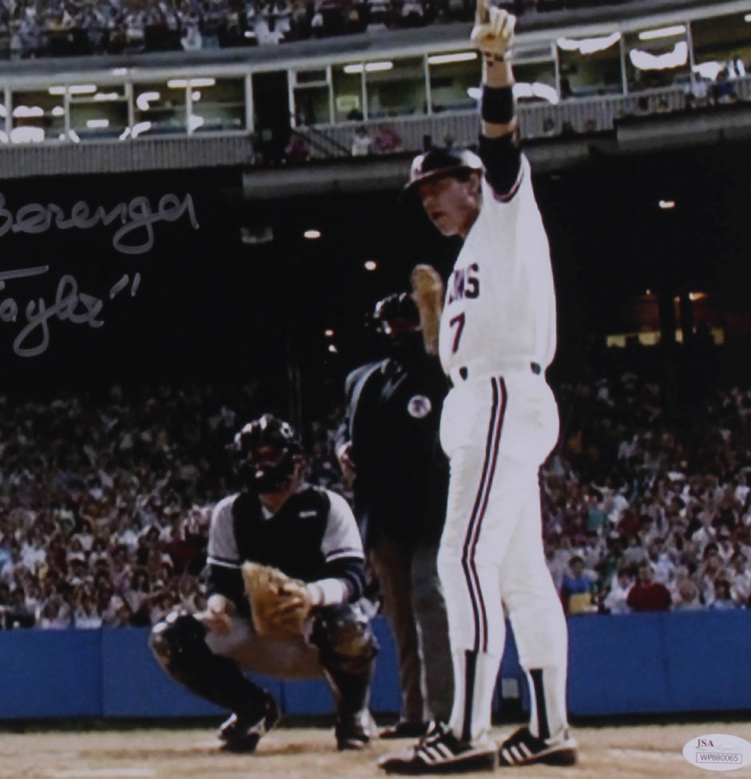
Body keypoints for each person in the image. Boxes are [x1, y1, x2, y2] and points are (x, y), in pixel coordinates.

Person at [380, 0, 576, 770]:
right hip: (488, 396)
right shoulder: (469, 254)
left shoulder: (501, 207)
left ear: (469, 182)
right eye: (421, 191)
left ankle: (464, 730)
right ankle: (550, 725)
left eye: (438, 183)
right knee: (522, 572)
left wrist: (495, 66)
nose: (429, 198)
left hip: (500, 396)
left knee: (462, 559)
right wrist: (434, 332)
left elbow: (500, 143)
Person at [150, 414, 377, 752]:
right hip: (256, 635)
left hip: (316, 634)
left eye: (271, 455)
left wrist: (309, 595)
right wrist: (218, 608)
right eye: (255, 457)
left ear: (295, 459)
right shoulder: (230, 513)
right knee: (170, 637)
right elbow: (221, 583)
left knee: (347, 624)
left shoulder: (328, 506)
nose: (263, 465)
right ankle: (251, 708)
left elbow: (353, 578)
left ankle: (352, 715)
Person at [335, 292, 452, 739]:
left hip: (431, 515)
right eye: (392, 324)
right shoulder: (362, 380)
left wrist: (438, 343)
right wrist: (341, 450)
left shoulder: (442, 375)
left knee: (429, 602)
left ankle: (446, 715)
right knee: (402, 621)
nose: (399, 331)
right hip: (383, 517)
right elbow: (346, 430)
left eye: (409, 323)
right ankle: (415, 715)